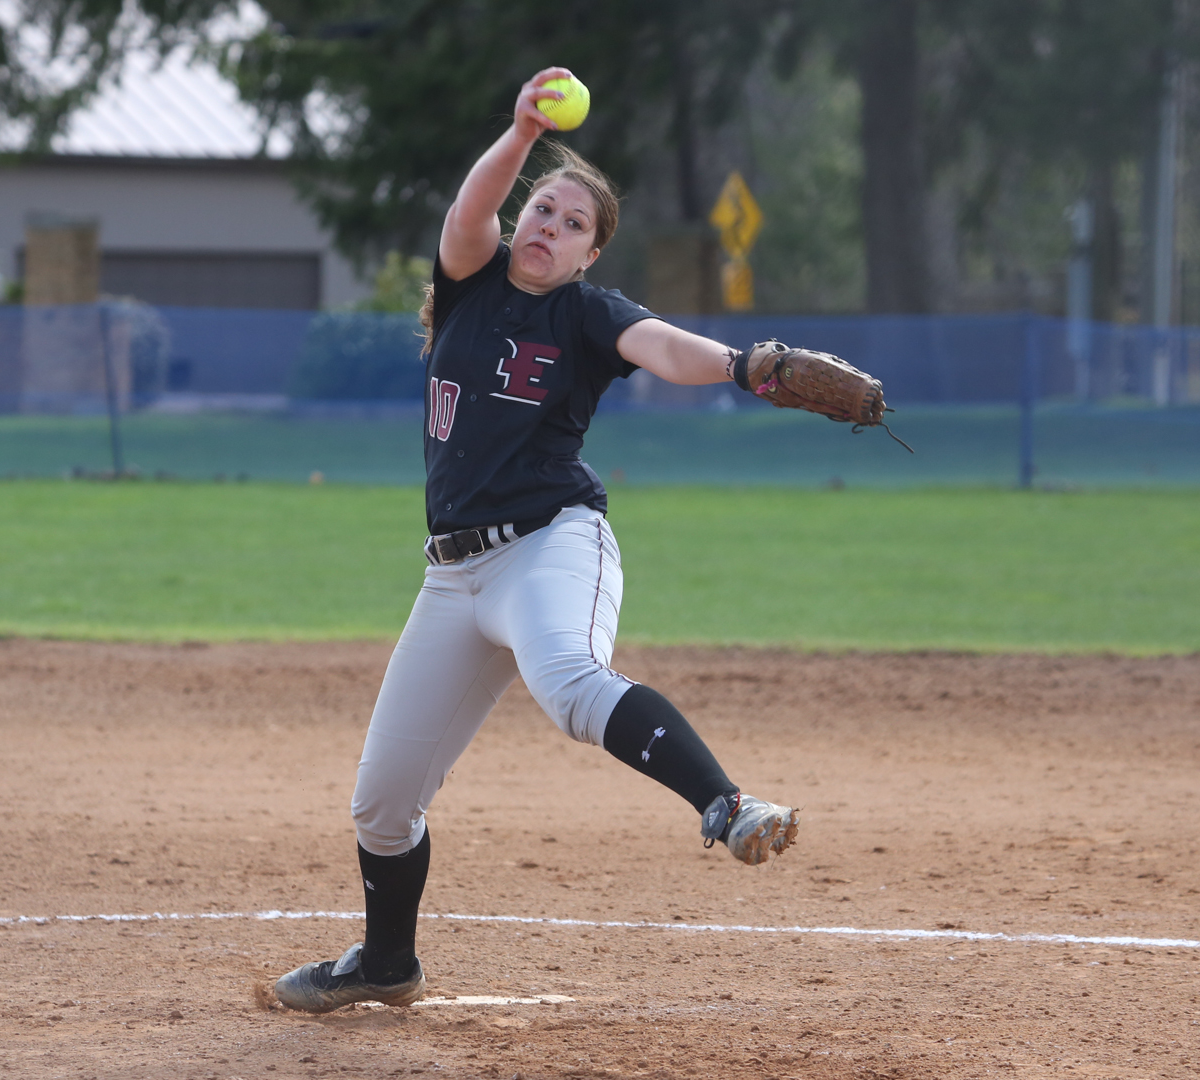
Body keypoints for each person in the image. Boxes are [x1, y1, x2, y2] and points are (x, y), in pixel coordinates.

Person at [273, 67, 832, 1013]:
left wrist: (745, 366)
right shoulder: (468, 283)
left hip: (550, 545)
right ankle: (387, 965)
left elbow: (665, 347)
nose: (549, 227)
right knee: (382, 803)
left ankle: (728, 804)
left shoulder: (587, 313)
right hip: (453, 576)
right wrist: (524, 134)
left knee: (569, 682)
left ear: (588, 254)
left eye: (574, 224)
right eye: (543, 209)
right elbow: (469, 210)